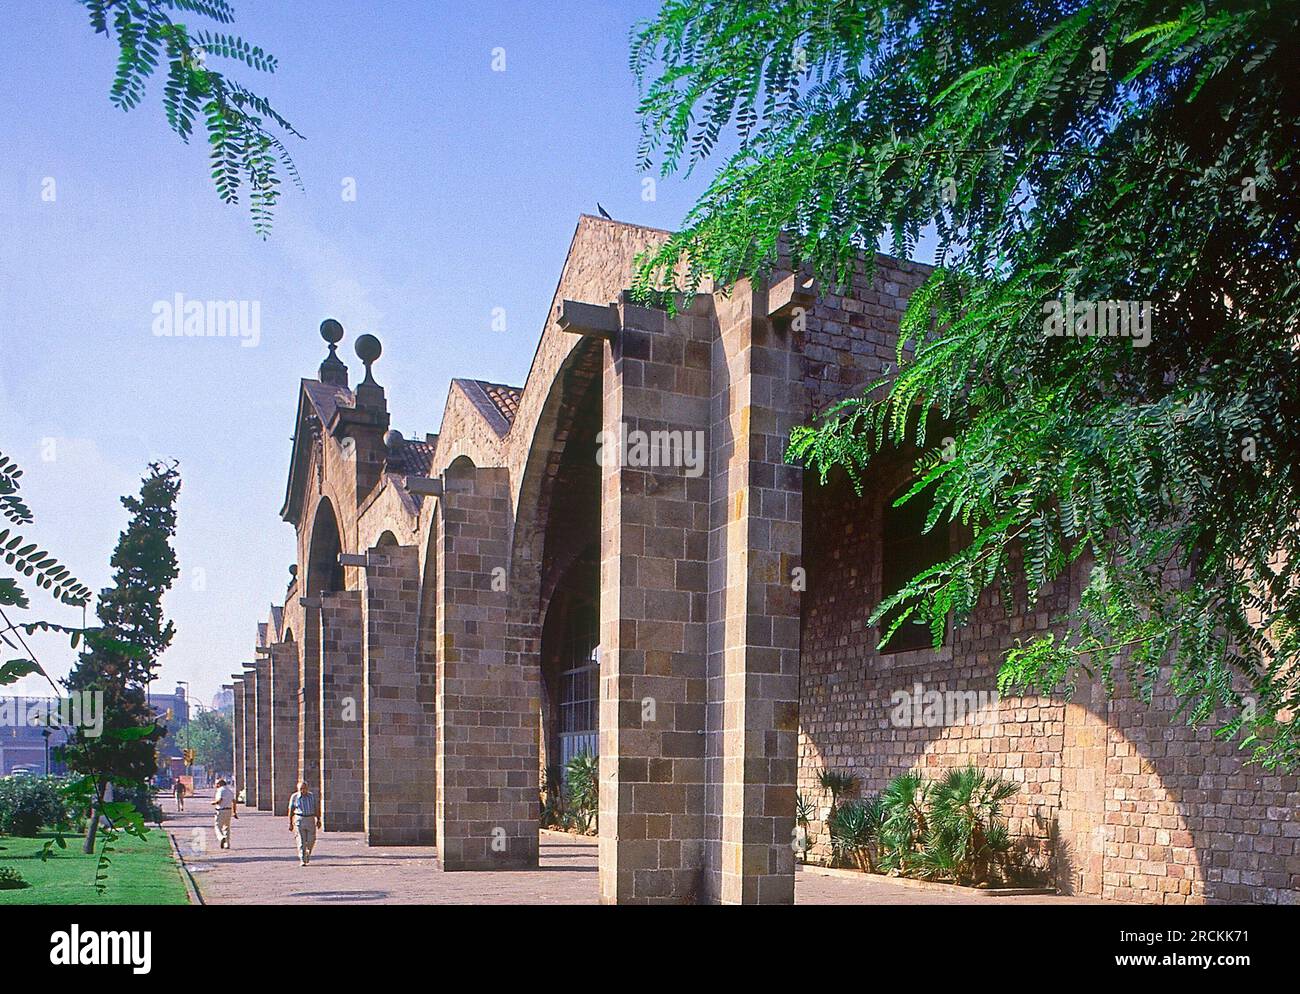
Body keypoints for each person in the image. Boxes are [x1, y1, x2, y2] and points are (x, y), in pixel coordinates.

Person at [286, 780, 320, 866]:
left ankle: (308, 853)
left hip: (310, 818)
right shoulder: (294, 797)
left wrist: (318, 819)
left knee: (311, 840)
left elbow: (316, 808)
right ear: (298, 789)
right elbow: (291, 810)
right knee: (301, 840)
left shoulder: (311, 796)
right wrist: (290, 823)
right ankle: (302, 859)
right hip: (299, 819)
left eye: (304, 788)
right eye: (301, 789)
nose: (303, 790)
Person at [211, 777, 238, 849]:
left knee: (218, 826)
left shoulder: (220, 790)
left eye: (217, 784)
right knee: (227, 827)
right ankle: (227, 844)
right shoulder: (230, 791)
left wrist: (214, 803)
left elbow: (220, 800)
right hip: (228, 810)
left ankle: (221, 837)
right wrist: (234, 812)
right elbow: (234, 802)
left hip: (221, 810)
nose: (216, 785)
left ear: (220, 784)